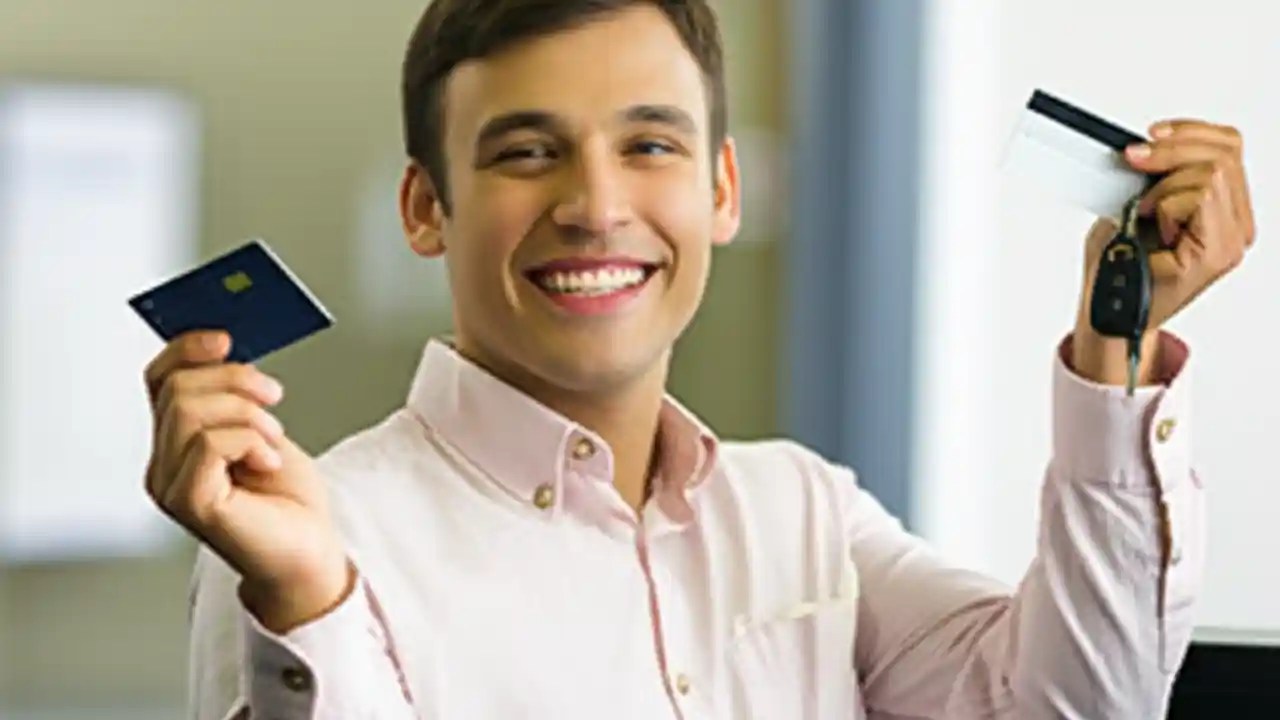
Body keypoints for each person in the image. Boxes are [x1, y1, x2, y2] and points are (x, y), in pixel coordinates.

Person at [142, 1, 1256, 718]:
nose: (593, 206)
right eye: (527, 153)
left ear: (719, 190)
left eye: (648, 145)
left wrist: (1117, 346)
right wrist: (305, 599)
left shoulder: (806, 513)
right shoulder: (318, 544)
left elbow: (1082, 706)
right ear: (426, 206)